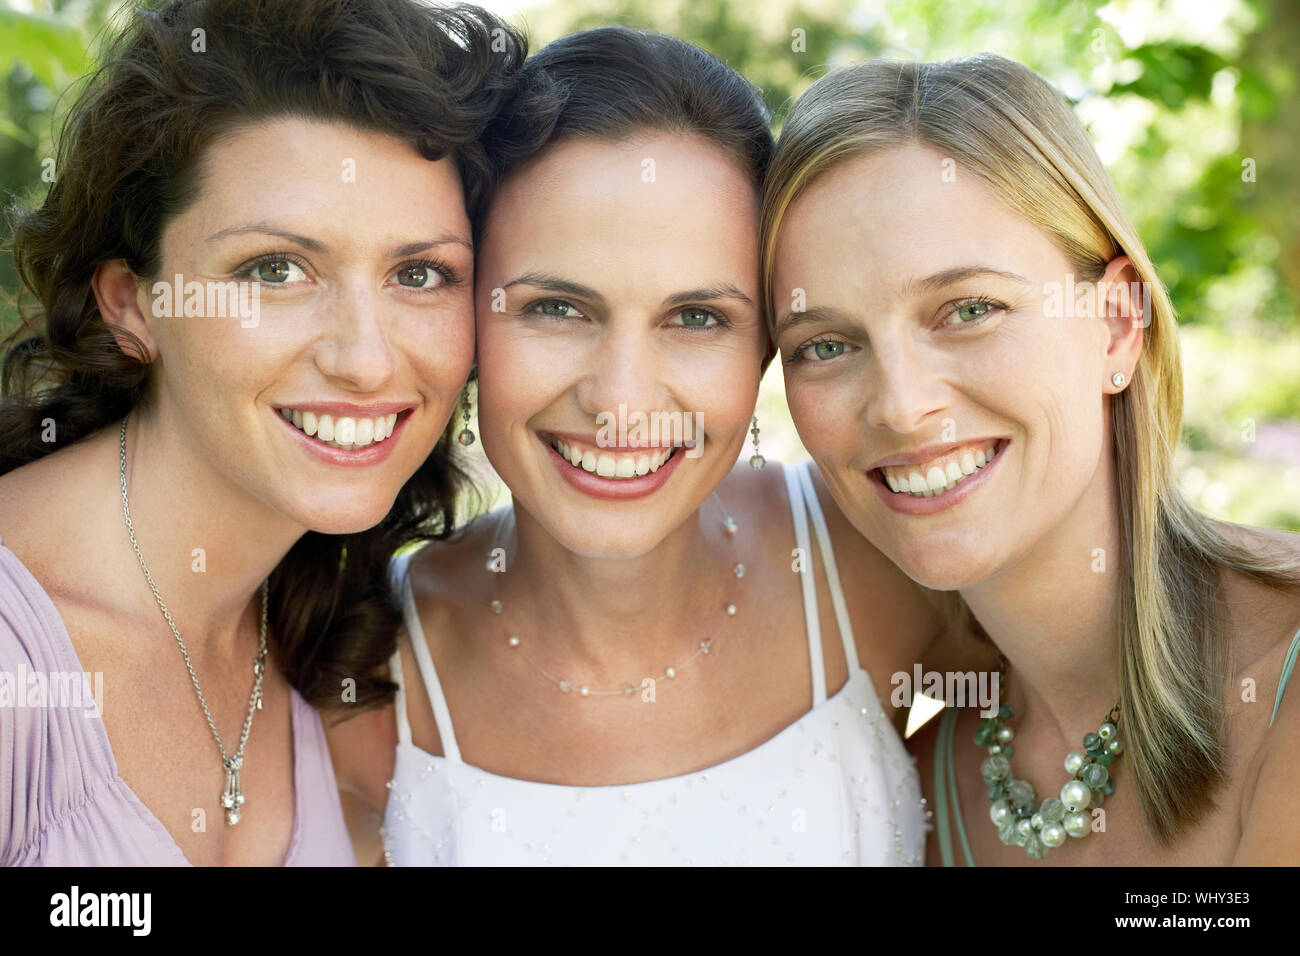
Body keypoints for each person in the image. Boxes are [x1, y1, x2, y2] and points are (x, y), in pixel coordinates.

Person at [327, 27, 945, 866]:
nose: (620, 400)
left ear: (764, 343)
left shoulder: (878, 558)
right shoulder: (363, 677)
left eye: (697, 319)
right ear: (468, 318)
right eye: (557, 308)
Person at [0, 0, 525, 866]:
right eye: (276, 269)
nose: (365, 360)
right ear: (133, 303)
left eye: (421, 273)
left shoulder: (336, 635)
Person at [762, 53, 1300, 864]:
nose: (903, 406)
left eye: (970, 309)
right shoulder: (924, 775)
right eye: (826, 344)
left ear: (1116, 325)